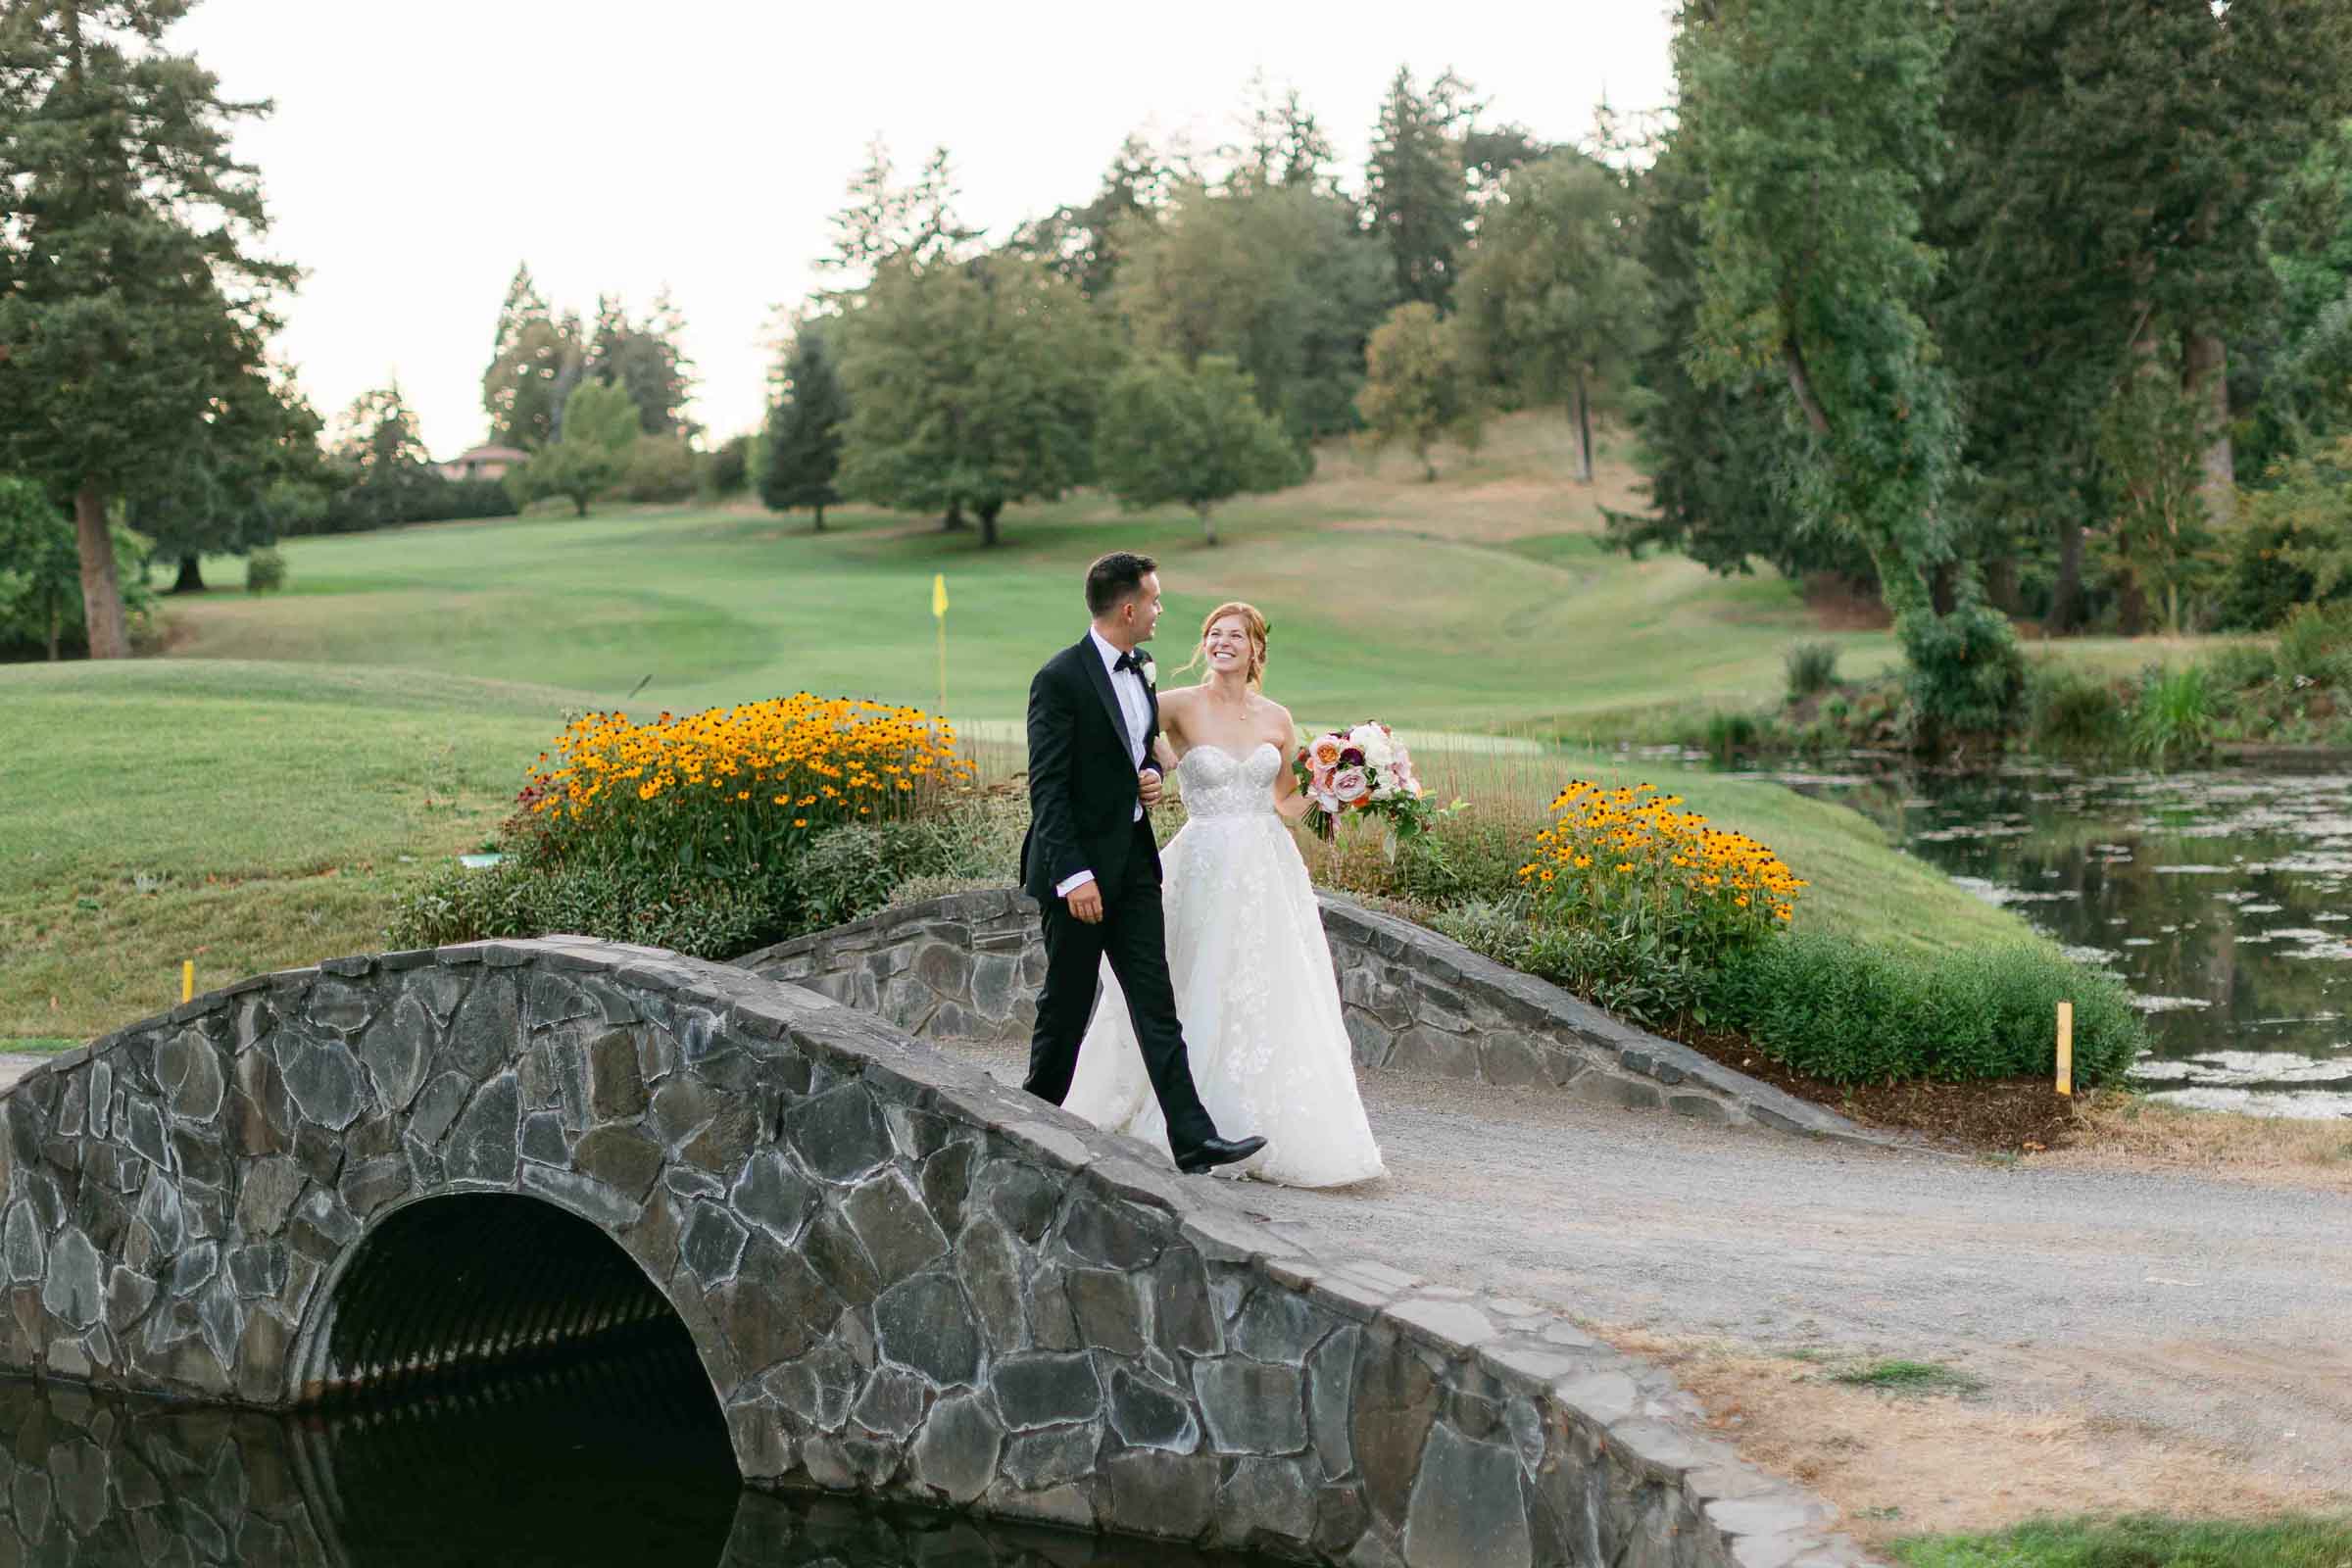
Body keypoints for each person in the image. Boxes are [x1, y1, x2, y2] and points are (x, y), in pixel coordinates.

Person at [1060, 599, 1386, 1188]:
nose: (1222, 642)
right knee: (1190, 980)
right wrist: (1148, 776)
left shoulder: (1277, 719)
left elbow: (1285, 801)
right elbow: (1121, 739)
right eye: (1214, 633)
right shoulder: (1175, 705)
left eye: (1236, 635)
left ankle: (1268, 1123)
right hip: (1203, 860)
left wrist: (1344, 792)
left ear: (1256, 648)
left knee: (1269, 987)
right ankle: (1185, 1116)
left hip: (1266, 867)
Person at [1018, 552, 1268, 1176]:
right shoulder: (1060, 678)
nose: (1161, 611)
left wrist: (1151, 774)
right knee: (1067, 1009)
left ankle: (1194, 1140)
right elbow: (1047, 788)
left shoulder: (1143, 670)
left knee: (1155, 1004)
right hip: (1077, 876)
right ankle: (1023, 1126)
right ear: (1128, 608)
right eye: (1155, 601)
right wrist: (1073, 876)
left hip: (1133, 867)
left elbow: (1138, 752)